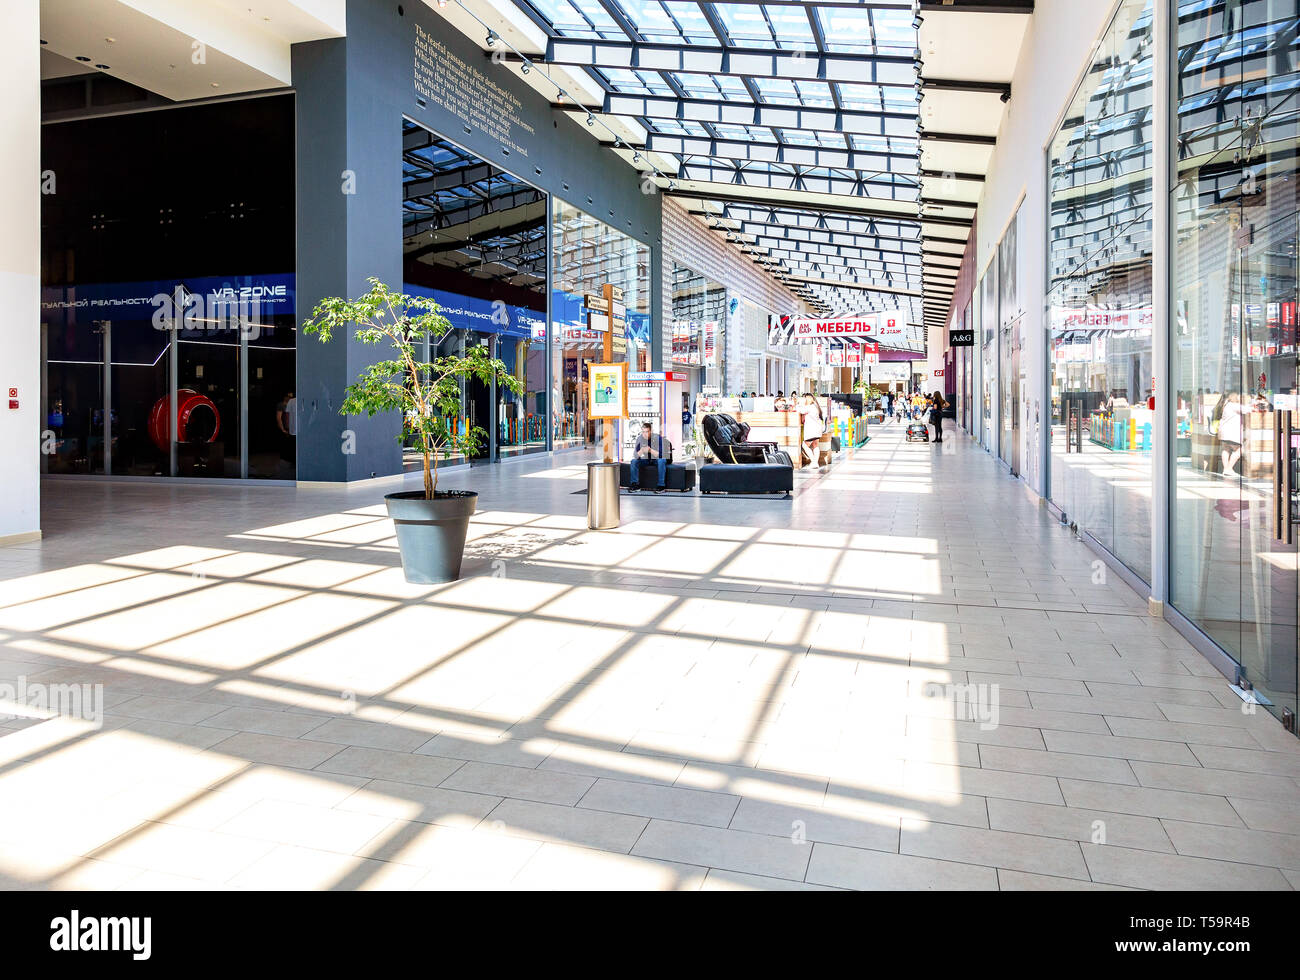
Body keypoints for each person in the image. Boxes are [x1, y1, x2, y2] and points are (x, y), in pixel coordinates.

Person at [629, 422, 671, 492]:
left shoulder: (658, 438)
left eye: (647, 432)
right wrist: (642, 450)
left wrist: (650, 450)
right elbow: (635, 456)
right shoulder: (640, 438)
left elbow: (661, 455)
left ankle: (661, 486)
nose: (645, 434)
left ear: (651, 431)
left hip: (656, 459)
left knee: (662, 460)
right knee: (634, 461)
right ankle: (635, 485)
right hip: (646, 459)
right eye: (643, 432)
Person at [1218, 391, 1244, 476]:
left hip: (1223, 432)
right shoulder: (1234, 405)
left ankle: (1225, 469)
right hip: (1231, 433)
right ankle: (1229, 468)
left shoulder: (1226, 405)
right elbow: (1246, 410)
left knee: (1226, 449)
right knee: (1239, 450)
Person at [798, 392, 824, 466]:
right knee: (816, 445)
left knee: (804, 445)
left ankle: (814, 462)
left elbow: (800, 410)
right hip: (817, 430)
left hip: (811, 430)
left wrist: (800, 404)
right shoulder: (815, 406)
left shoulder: (809, 407)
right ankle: (815, 462)